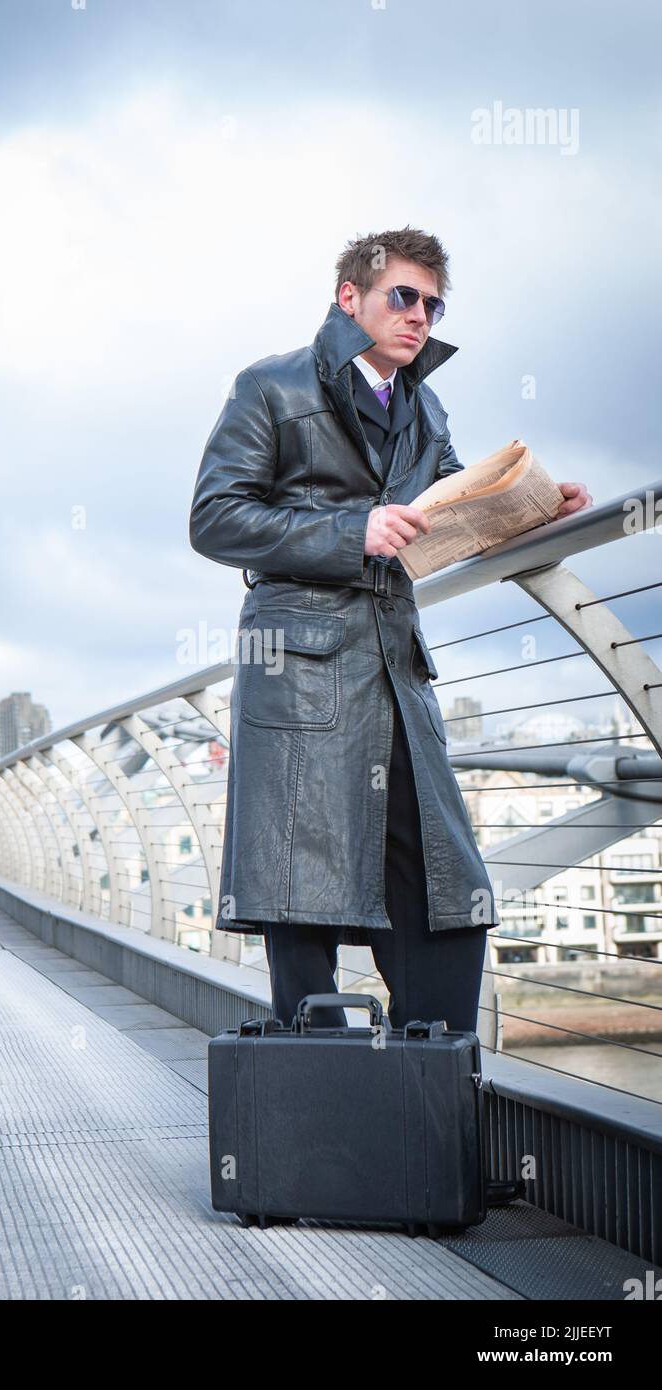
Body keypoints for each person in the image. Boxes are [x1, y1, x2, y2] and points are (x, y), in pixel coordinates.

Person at [189, 226, 591, 1034]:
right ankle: (321, 1113)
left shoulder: (423, 404)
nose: (418, 317)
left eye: (432, 304)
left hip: (394, 670)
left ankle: (433, 1080)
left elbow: (450, 506)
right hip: (301, 669)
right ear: (350, 297)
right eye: (402, 297)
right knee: (298, 894)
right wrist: (351, 532)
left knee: (444, 888)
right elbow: (214, 519)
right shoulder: (269, 385)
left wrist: (536, 512)